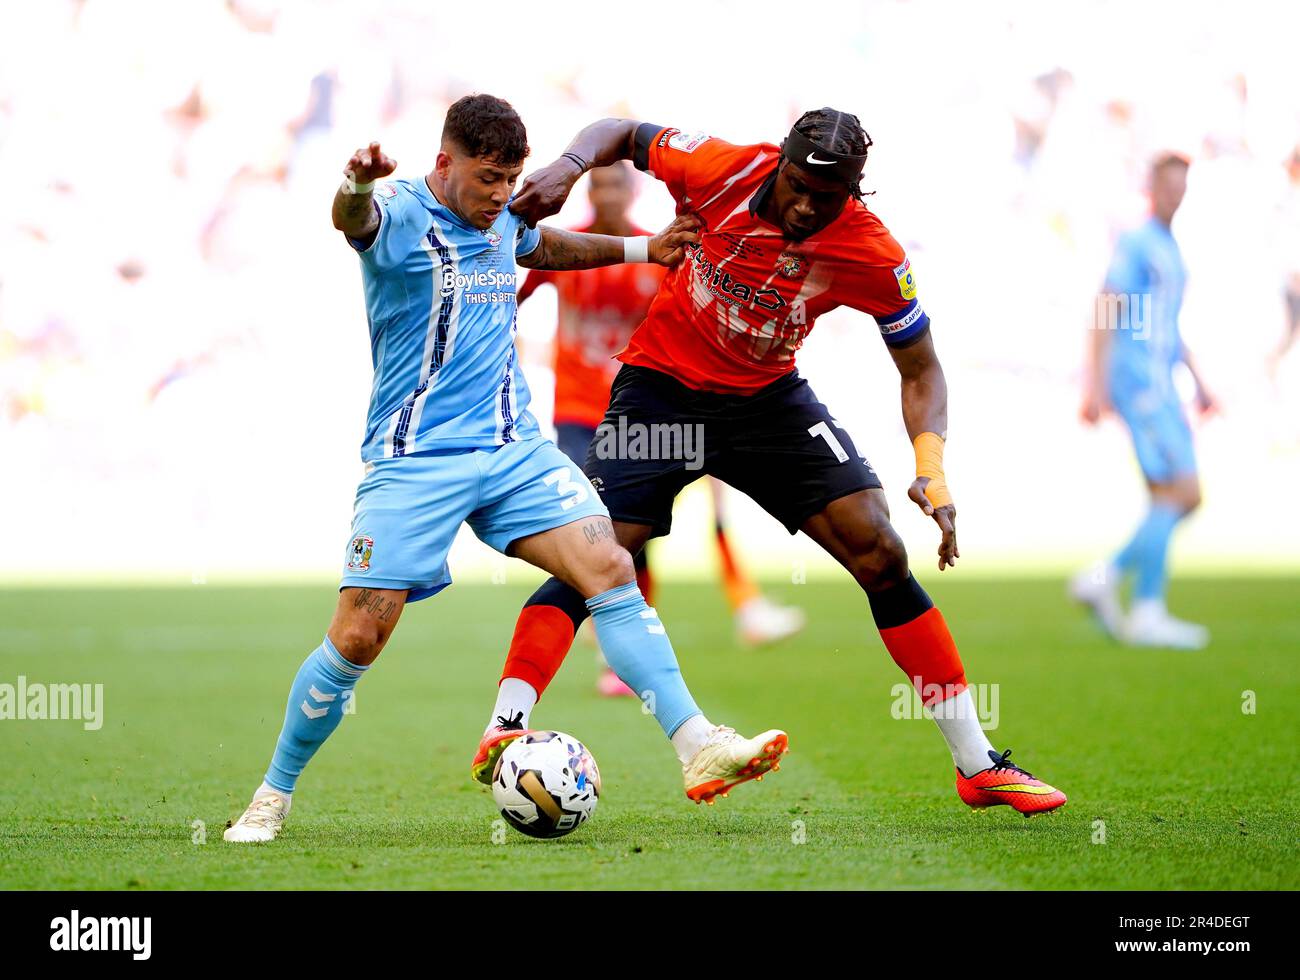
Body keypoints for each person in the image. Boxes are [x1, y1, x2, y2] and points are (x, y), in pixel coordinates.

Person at [224, 94, 788, 843]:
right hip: (415, 458)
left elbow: (541, 245)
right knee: (361, 633)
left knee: (610, 566)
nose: (501, 195)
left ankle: (698, 746)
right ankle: (273, 794)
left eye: (511, 178)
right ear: (445, 164)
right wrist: (355, 183)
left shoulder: (506, 216)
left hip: (514, 446)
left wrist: (643, 250)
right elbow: (350, 222)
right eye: (489, 179)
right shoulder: (394, 210)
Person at [479, 108, 1067, 816]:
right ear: (780, 163)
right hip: (662, 389)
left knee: (879, 549)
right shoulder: (720, 167)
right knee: (598, 552)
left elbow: (922, 370)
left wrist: (931, 463)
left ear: (854, 194)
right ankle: (505, 728)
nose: (807, 206)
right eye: (798, 187)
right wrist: (565, 170)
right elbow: (620, 132)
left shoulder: (871, 251)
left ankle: (977, 764)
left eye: (829, 198)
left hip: (766, 401)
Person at [515, 161, 805, 699]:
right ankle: (619, 646)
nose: (604, 193)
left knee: (699, 501)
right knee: (608, 528)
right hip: (581, 409)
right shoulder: (567, 245)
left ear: (628, 191)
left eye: (614, 184)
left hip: (645, 406)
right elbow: (513, 297)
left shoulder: (659, 251)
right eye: (595, 184)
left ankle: (743, 607)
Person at [1073, 153, 1216, 650]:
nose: (1177, 194)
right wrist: (1095, 385)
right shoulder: (1138, 243)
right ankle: (1131, 594)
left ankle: (1125, 592)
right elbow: (1107, 307)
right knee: (1181, 493)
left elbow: (1168, 324)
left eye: (1183, 185)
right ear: (1153, 187)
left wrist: (1199, 380)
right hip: (1140, 386)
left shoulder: (1170, 248)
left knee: (1173, 496)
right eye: (1169, 185)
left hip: (1163, 384)